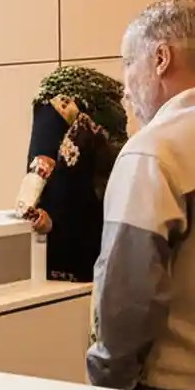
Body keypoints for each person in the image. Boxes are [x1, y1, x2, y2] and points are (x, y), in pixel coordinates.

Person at [87, 0, 195, 390]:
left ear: (161, 58)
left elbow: (130, 291)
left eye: (128, 62)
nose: (125, 86)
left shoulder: (155, 151)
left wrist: (107, 381)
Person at [15, 66, 126, 282]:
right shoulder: (61, 109)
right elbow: (39, 168)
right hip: (93, 260)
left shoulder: (76, 116)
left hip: (83, 260)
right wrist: (28, 207)